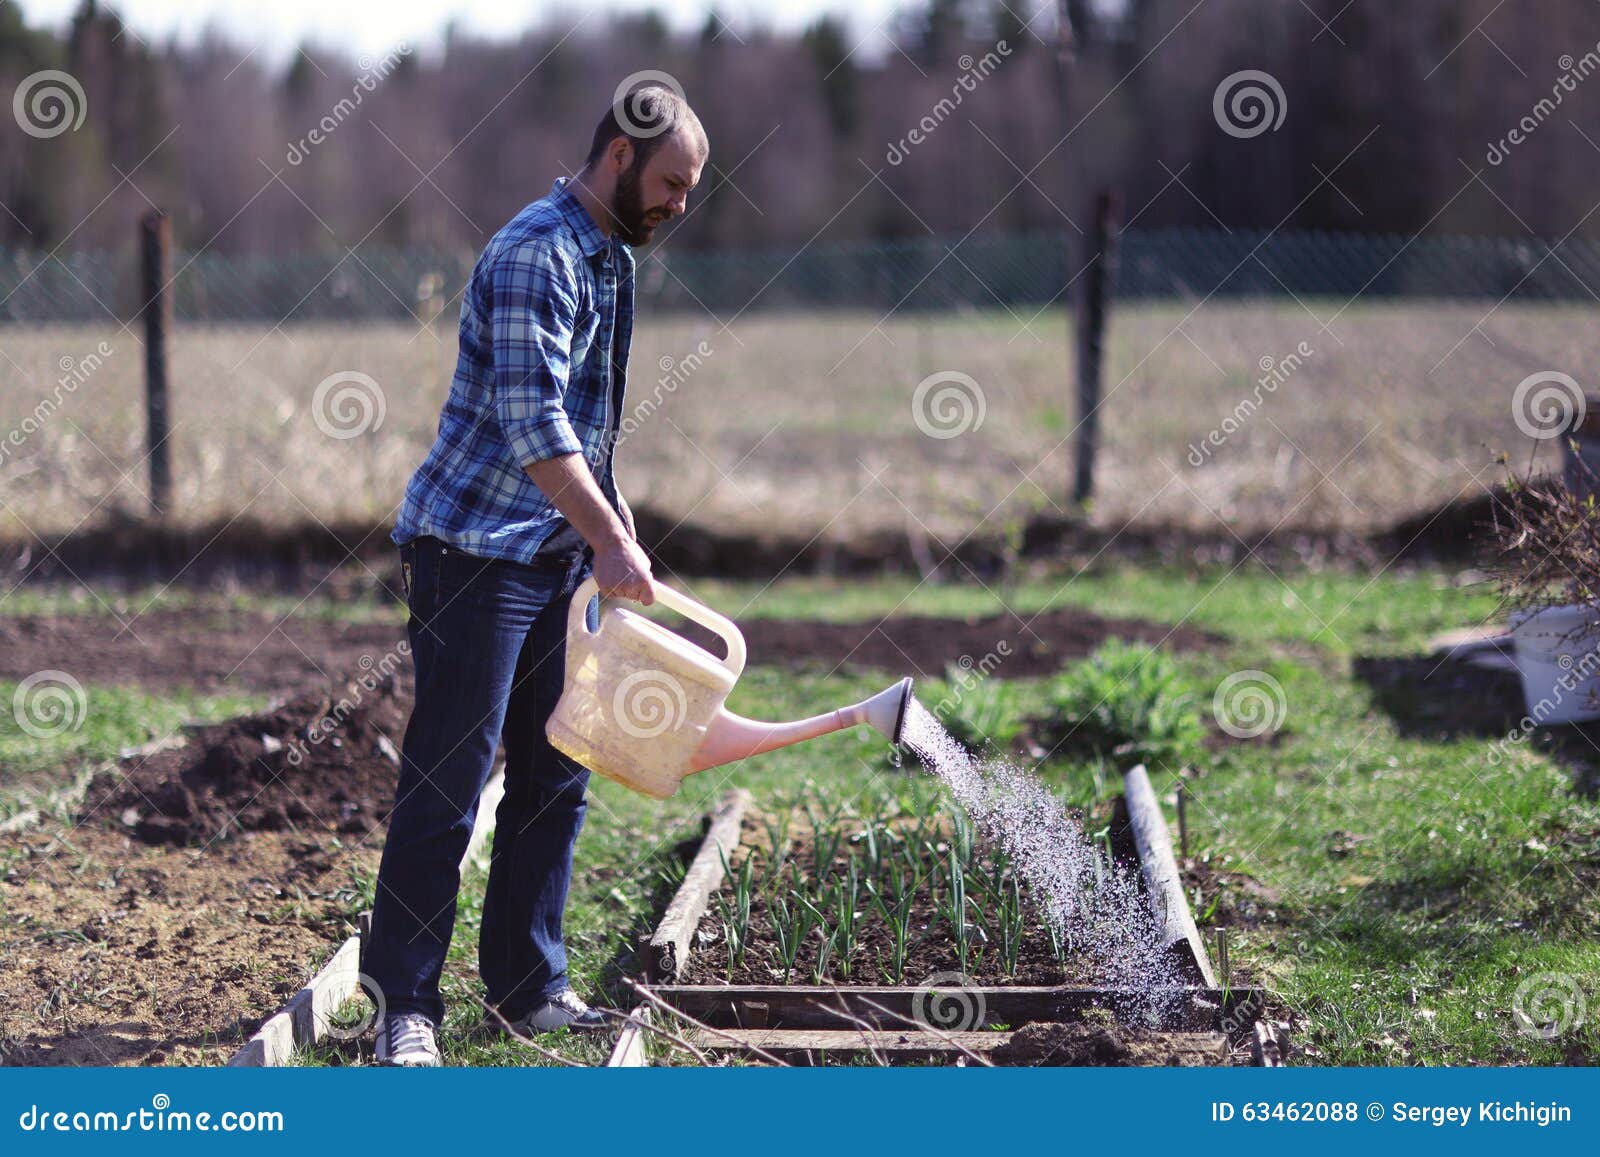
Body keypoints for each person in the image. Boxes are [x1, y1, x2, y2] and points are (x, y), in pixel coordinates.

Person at [363, 83, 708, 1067]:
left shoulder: (608, 257)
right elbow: (534, 430)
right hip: (472, 553)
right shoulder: (535, 255)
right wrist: (607, 537)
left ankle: (527, 986)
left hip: (551, 555)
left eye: (691, 188)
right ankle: (405, 1010)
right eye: (672, 182)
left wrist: (610, 517)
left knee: (558, 770)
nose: (681, 203)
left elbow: (585, 423)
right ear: (616, 159)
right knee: (450, 780)